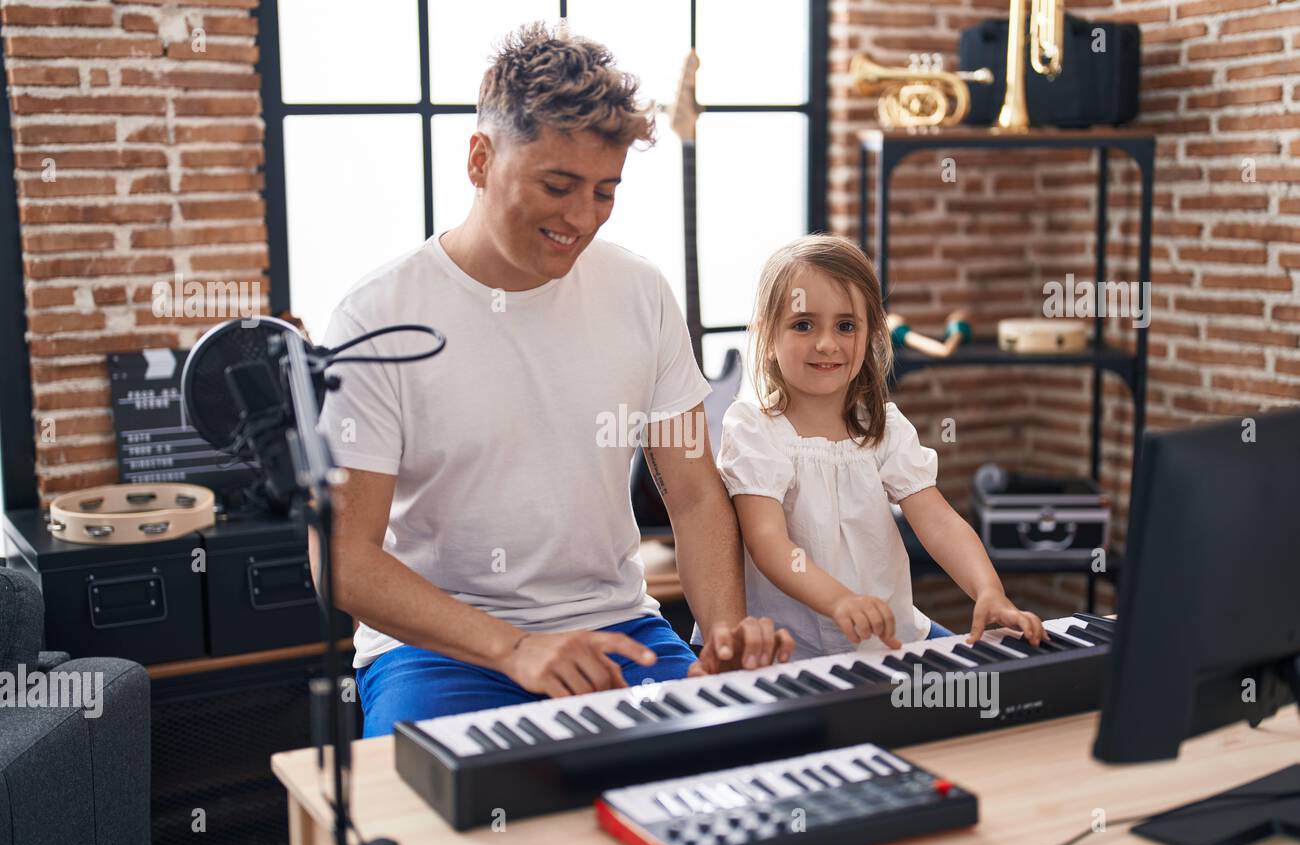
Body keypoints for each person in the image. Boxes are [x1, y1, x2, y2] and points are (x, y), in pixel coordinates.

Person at [313, 23, 793, 738]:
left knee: (750, 770)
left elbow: (693, 496)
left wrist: (722, 638)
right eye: (558, 185)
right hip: (438, 653)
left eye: (605, 191)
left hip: (618, 631)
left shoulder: (640, 290)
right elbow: (342, 561)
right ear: (480, 159)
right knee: (440, 838)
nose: (582, 218)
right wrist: (515, 648)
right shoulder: (376, 316)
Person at [716, 234, 1046, 660]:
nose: (826, 344)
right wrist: (839, 601)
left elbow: (939, 523)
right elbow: (769, 543)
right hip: (796, 649)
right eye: (803, 324)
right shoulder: (755, 429)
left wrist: (989, 590)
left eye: (846, 325)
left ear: (870, 333)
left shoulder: (883, 427)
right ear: (766, 336)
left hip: (892, 637)